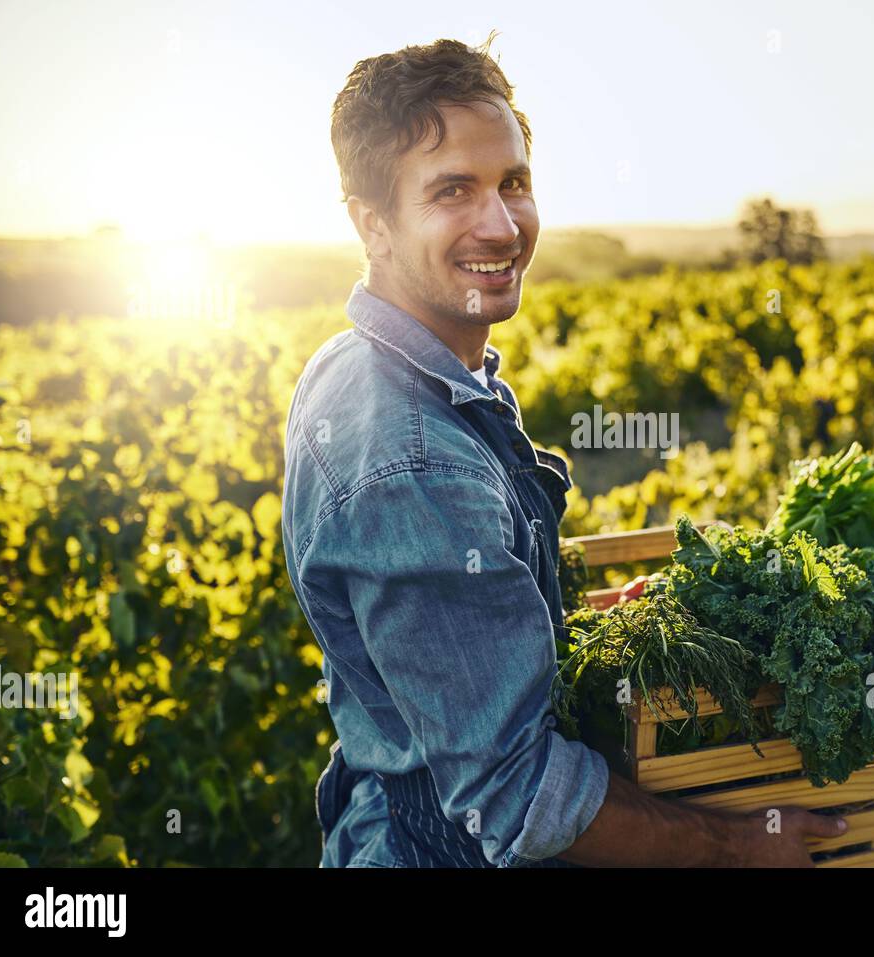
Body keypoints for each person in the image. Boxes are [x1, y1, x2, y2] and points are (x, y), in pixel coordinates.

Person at [280, 32, 844, 868]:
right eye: (452, 191)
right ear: (374, 225)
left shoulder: (367, 363)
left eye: (513, 182)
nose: (502, 224)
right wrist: (738, 848)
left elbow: (437, 654)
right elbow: (517, 796)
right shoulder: (413, 460)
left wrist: (558, 626)